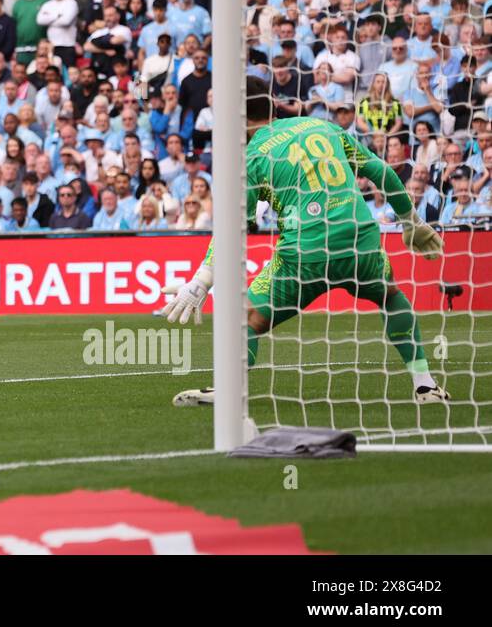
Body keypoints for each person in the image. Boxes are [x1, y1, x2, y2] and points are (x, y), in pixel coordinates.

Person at [164, 78, 448, 406]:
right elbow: (380, 170)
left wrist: (201, 282)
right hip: (358, 238)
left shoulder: (251, 157)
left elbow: (232, 229)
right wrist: (410, 221)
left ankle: (229, 391)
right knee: (391, 297)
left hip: (305, 252)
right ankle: (424, 385)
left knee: (246, 319)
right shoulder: (321, 127)